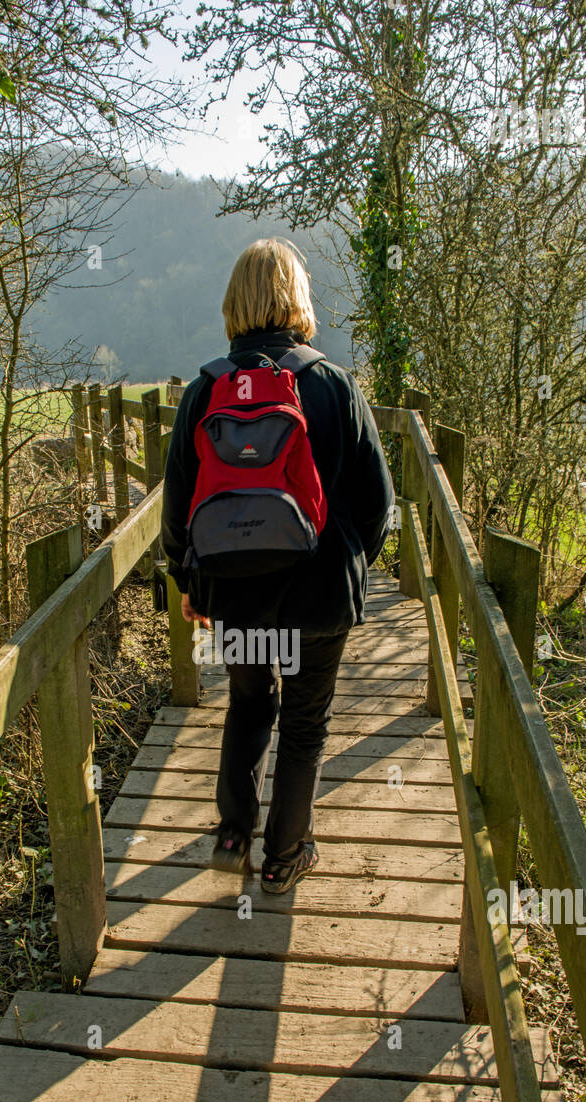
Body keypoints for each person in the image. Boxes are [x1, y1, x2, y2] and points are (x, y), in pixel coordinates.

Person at [162, 237, 395, 894]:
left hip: (237, 596)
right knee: (304, 722)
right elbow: (378, 505)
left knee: (248, 701)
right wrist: (351, 563)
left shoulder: (205, 390)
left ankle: (233, 832)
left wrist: (189, 582)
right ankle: (285, 856)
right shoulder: (332, 385)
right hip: (320, 599)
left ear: (234, 304)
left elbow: (178, 507)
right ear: (298, 298)